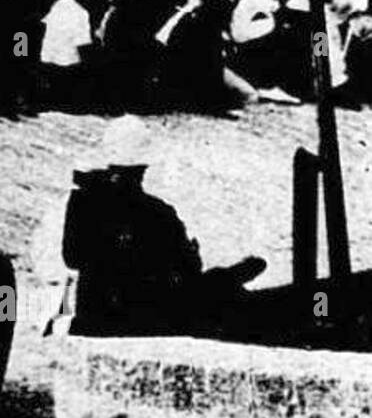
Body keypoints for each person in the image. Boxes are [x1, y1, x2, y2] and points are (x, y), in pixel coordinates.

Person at [51, 117, 265, 336]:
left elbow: (72, 257)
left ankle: (231, 277)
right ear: (143, 168)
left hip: (93, 315)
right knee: (217, 289)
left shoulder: (83, 202)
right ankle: (233, 276)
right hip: (144, 319)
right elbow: (188, 272)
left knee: (214, 286)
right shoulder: (156, 213)